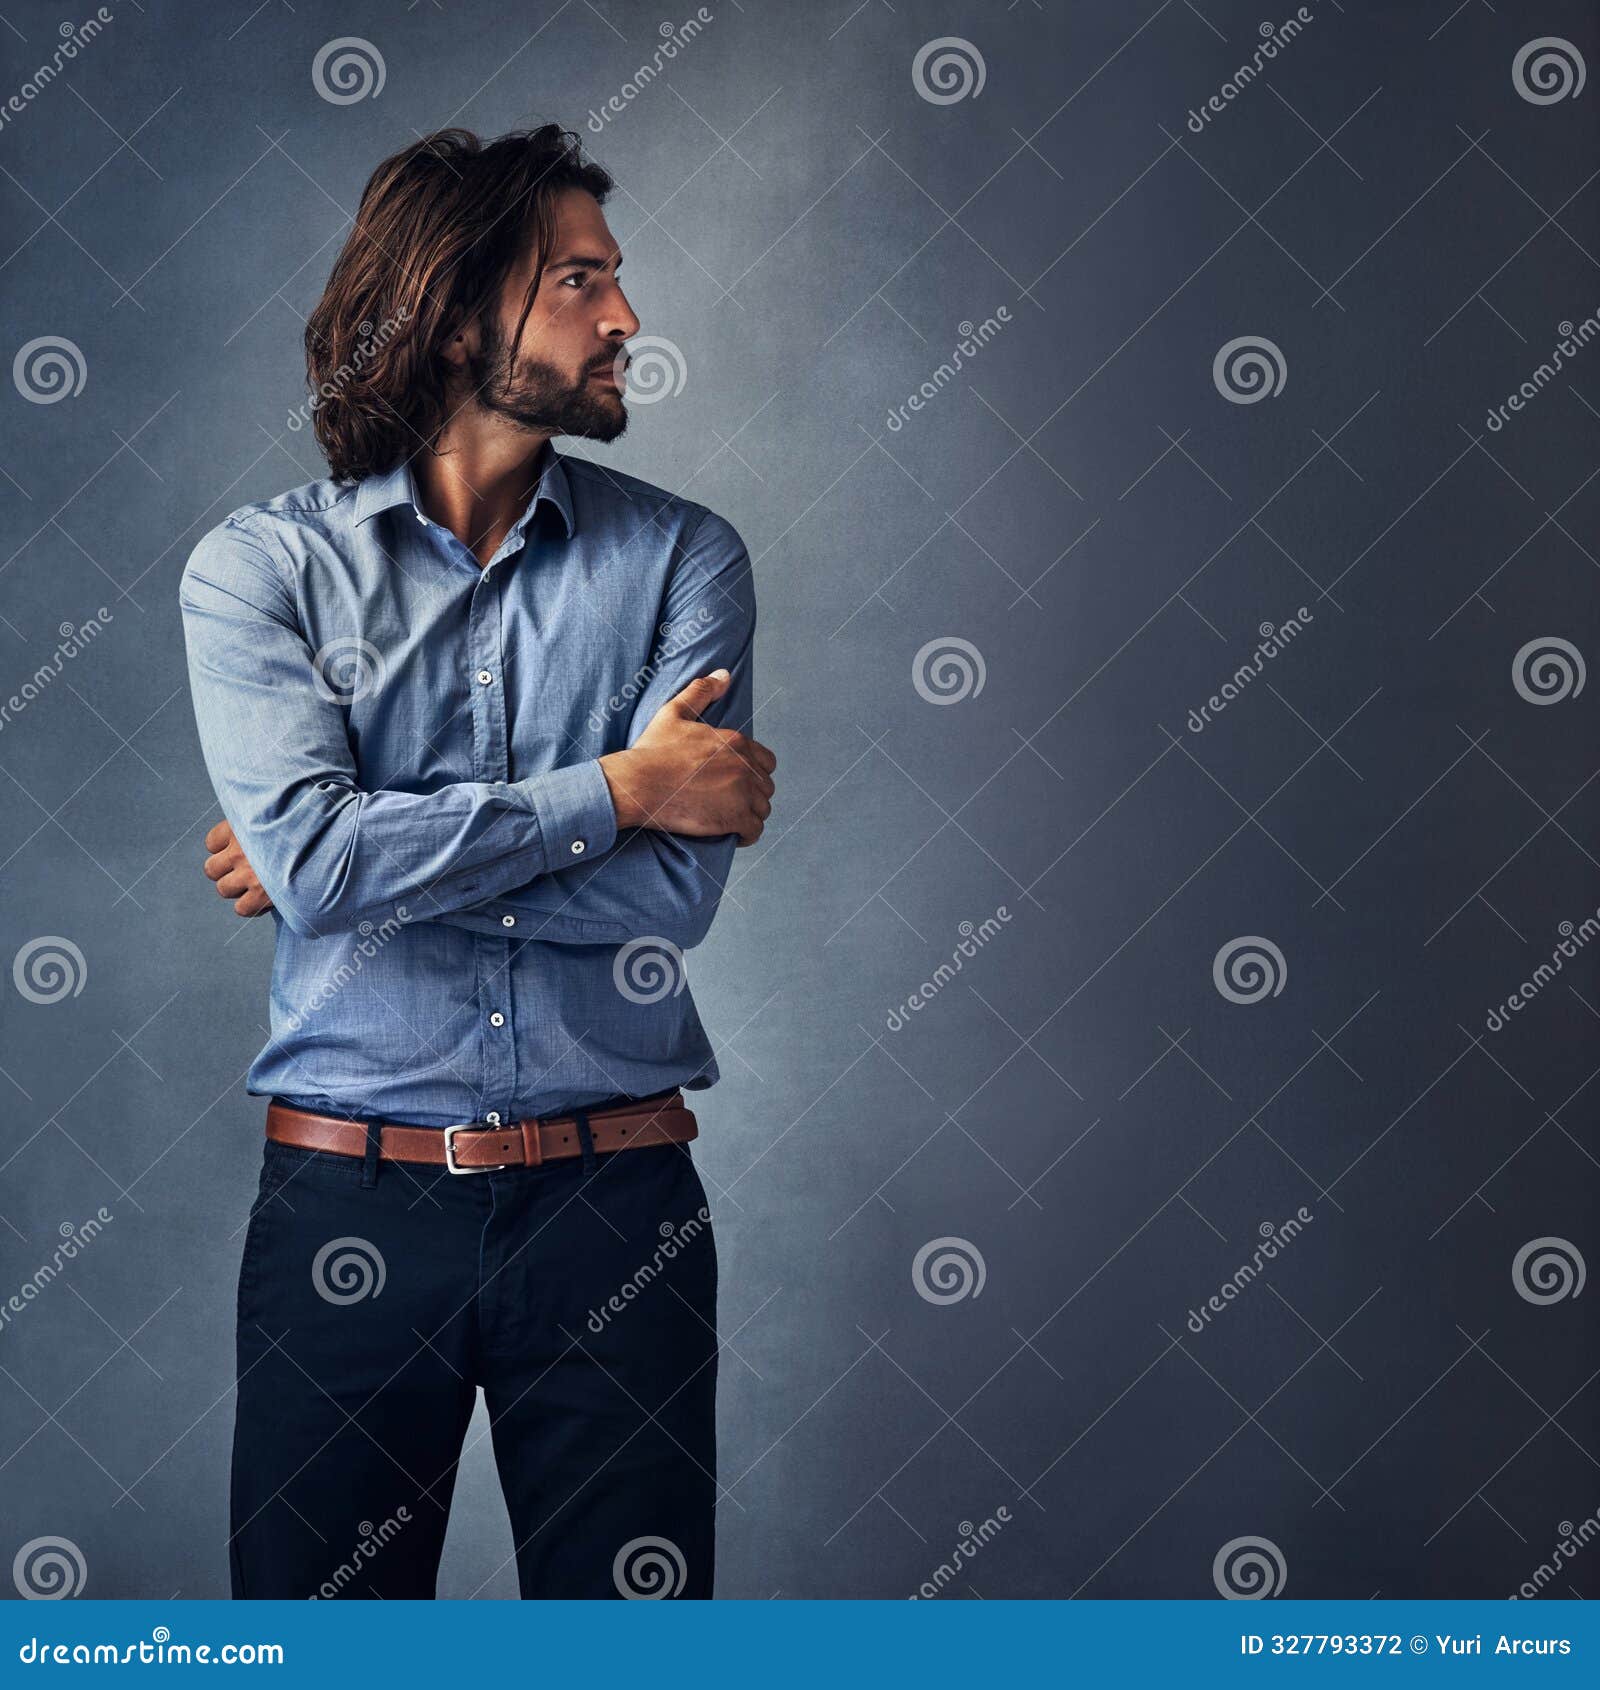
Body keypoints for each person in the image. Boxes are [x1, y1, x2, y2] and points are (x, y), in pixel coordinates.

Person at [178, 123, 775, 1600]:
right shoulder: (258, 571)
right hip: (347, 1217)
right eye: (581, 281)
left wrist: (364, 846)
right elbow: (323, 866)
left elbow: (674, 896)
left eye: (614, 281)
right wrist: (621, 788)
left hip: (617, 1212)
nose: (627, 318)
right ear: (454, 316)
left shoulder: (689, 562)